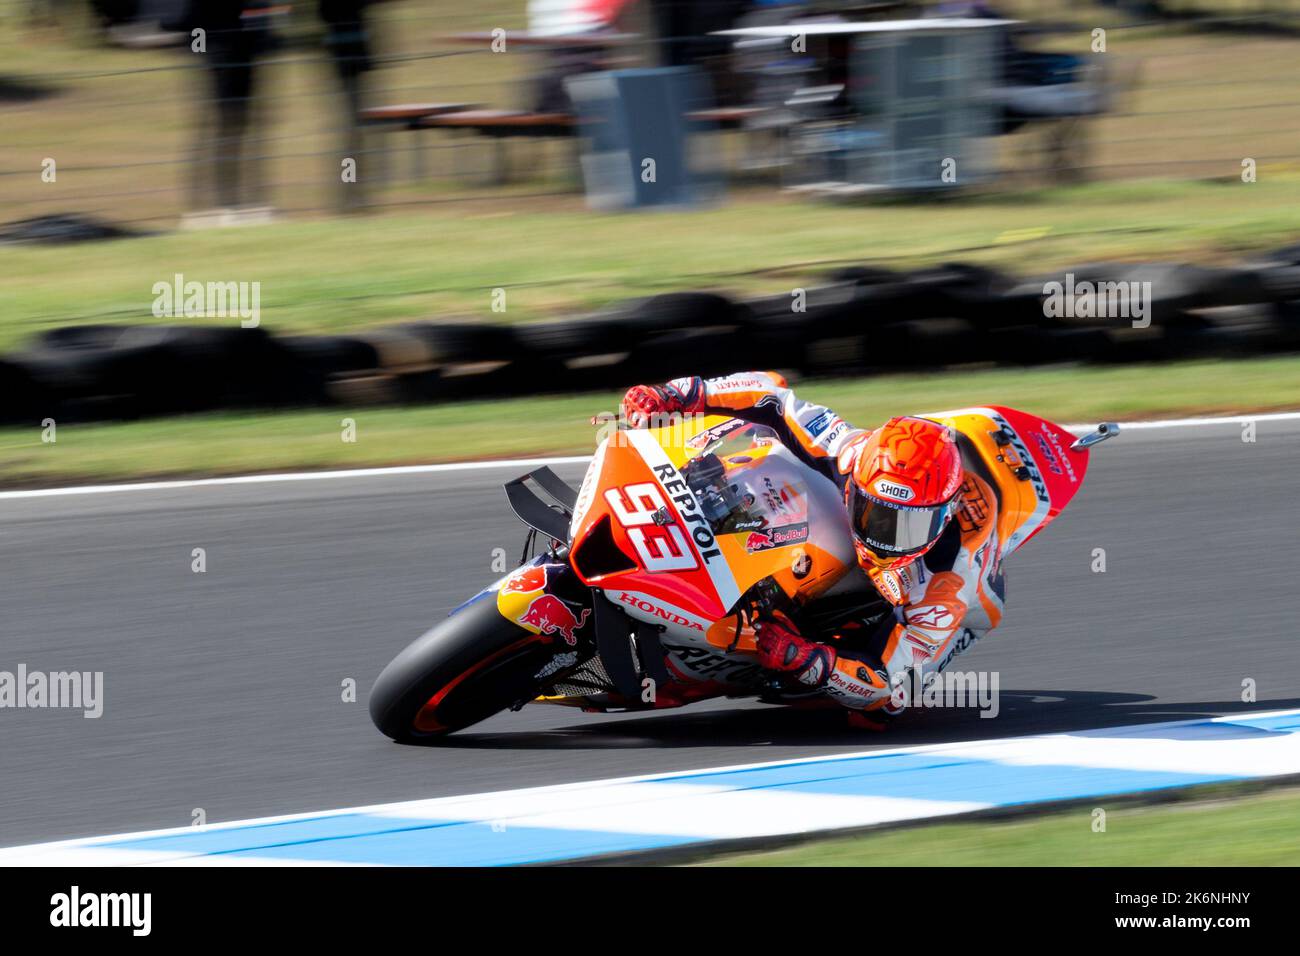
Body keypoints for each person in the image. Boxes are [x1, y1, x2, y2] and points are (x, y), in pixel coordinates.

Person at [620, 371, 1005, 716]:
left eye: (908, 525)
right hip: (811, 520)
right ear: (858, 482)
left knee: (884, 710)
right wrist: (678, 394)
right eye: (876, 513)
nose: (884, 536)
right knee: (763, 459)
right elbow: (771, 393)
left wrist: (812, 660)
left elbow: (890, 681)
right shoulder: (850, 452)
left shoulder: (948, 585)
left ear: (945, 514)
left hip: (916, 609)